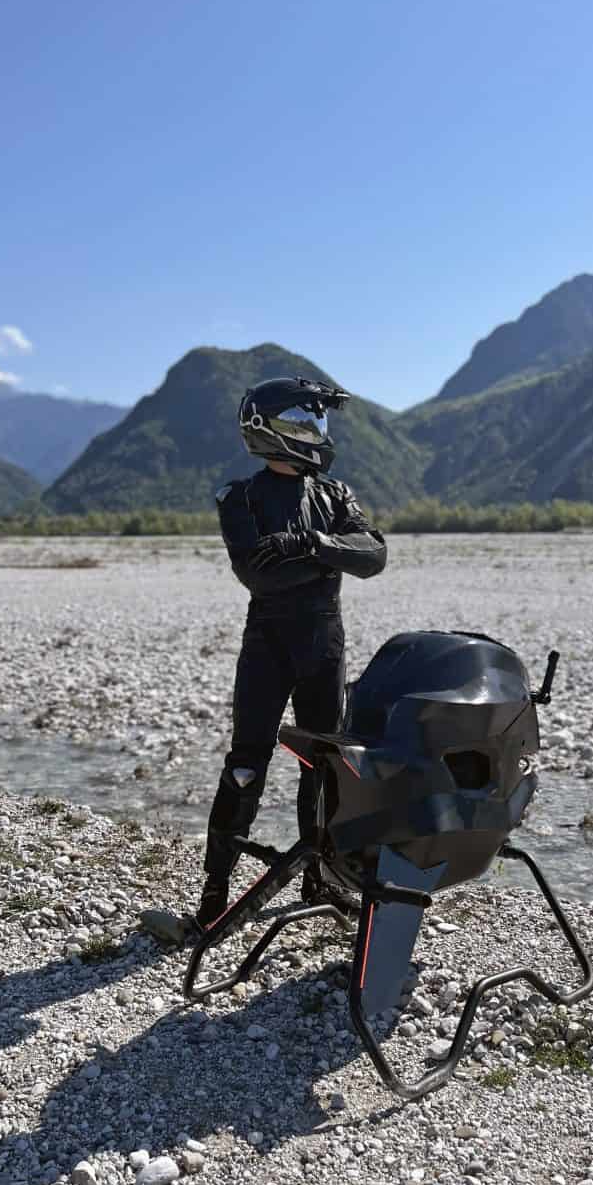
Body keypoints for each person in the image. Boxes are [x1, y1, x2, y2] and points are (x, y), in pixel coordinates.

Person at [194, 375, 388, 929]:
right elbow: (257, 574)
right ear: (273, 430)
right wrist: (332, 556)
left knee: (325, 768)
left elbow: (373, 554)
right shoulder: (241, 497)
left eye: (318, 422)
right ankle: (215, 890)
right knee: (245, 767)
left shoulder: (333, 493)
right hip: (269, 643)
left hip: (323, 642)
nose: (317, 432)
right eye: (308, 422)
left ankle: (319, 881)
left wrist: (311, 543)